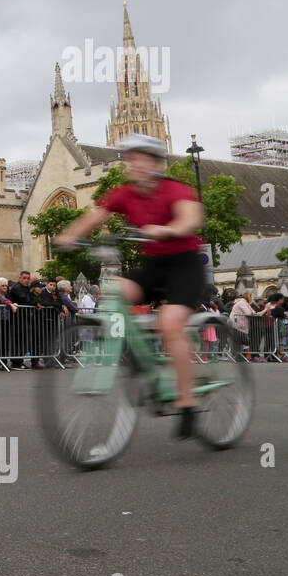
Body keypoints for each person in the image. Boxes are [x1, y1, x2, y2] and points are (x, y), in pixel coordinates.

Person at [55, 133, 207, 440]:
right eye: (130, 159)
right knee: (115, 292)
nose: (134, 165)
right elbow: (95, 216)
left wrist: (165, 230)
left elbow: (191, 220)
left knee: (170, 323)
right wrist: (68, 235)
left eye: (140, 159)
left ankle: (187, 401)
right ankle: (137, 353)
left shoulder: (176, 189)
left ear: (155, 163)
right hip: (154, 266)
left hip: (185, 264)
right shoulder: (124, 193)